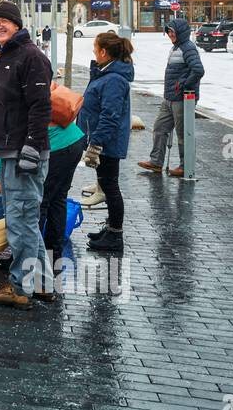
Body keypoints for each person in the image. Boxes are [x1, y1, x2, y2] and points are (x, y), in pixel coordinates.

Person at [0, 1, 54, 309]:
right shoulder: (6, 56)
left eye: (4, 21)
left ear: (17, 24)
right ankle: (42, 284)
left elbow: (41, 107)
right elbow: (4, 108)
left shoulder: (30, 57)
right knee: (27, 221)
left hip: (25, 155)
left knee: (21, 221)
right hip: (10, 150)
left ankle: (20, 288)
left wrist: (32, 147)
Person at [80, 32, 135, 253]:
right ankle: (111, 228)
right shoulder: (107, 74)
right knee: (107, 184)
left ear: (104, 52)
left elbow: (110, 115)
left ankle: (115, 235)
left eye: (95, 48)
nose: (93, 52)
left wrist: (96, 144)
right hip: (105, 141)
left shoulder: (114, 79)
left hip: (108, 143)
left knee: (110, 187)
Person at [140, 17, 203, 178]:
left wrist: (183, 85)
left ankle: (185, 166)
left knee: (183, 134)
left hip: (182, 99)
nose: (170, 34)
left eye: (172, 31)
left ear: (181, 32)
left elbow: (198, 70)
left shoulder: (188, 48)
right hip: (169, 98)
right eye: (168, 31)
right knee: (160, 128)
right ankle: (156, 162)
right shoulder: (177, 48)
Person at [40, 95, 87, 278]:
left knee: (40, 201)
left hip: (58, 146)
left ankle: (32, 260)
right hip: (74, 138)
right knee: (57, 198)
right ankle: (54, 259)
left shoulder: (10, 101)